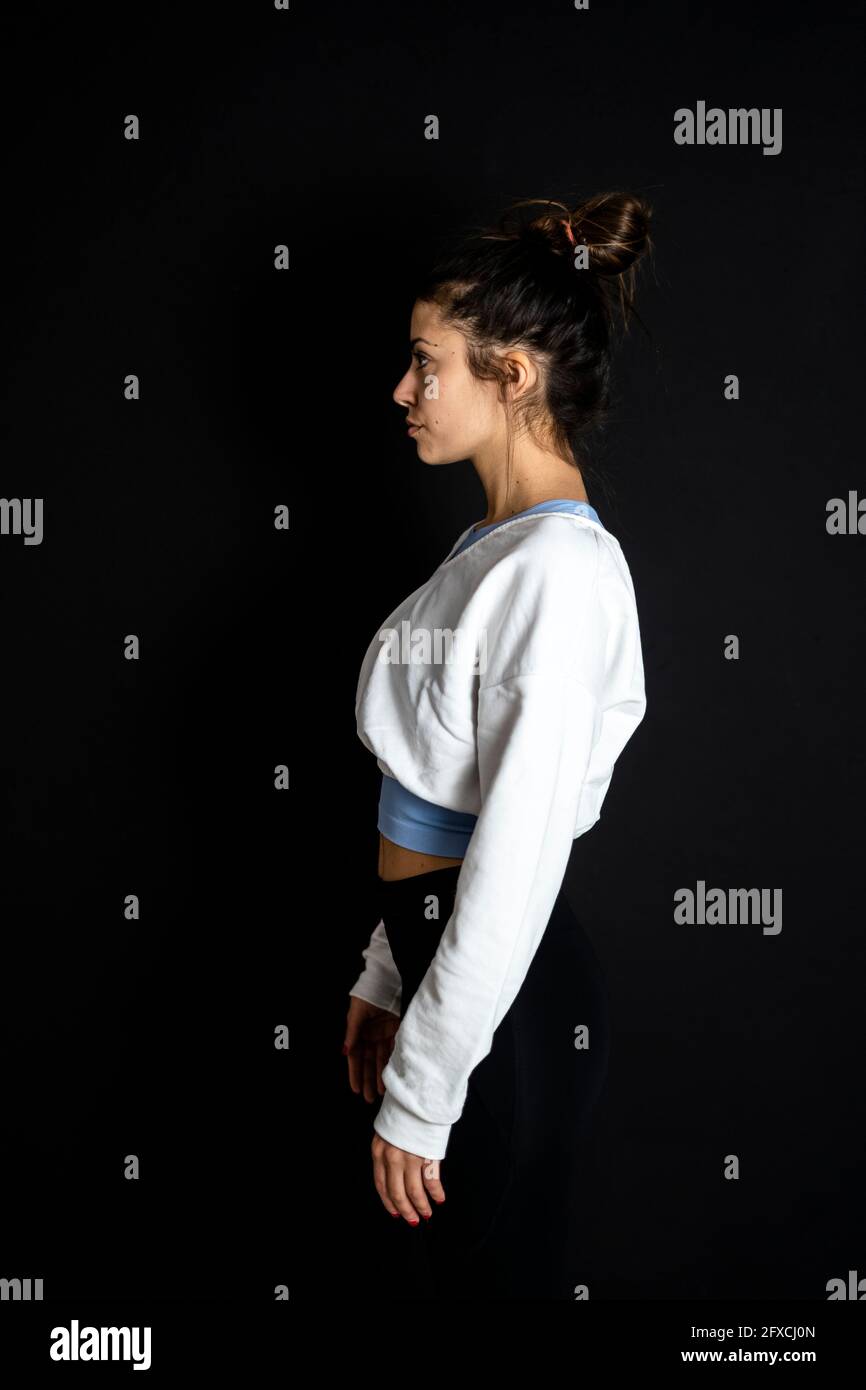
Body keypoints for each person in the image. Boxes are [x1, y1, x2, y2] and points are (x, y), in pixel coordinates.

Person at [343, 192, 653, 1299]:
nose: (402, 391)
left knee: (489, 1306)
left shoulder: (556, 576)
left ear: (510, 377)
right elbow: (438, 783)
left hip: (501, 1000)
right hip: (440, 964)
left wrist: (426, 1090)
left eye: (425, 365)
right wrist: (387, 970)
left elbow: (514, 859)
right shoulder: (496, 547)